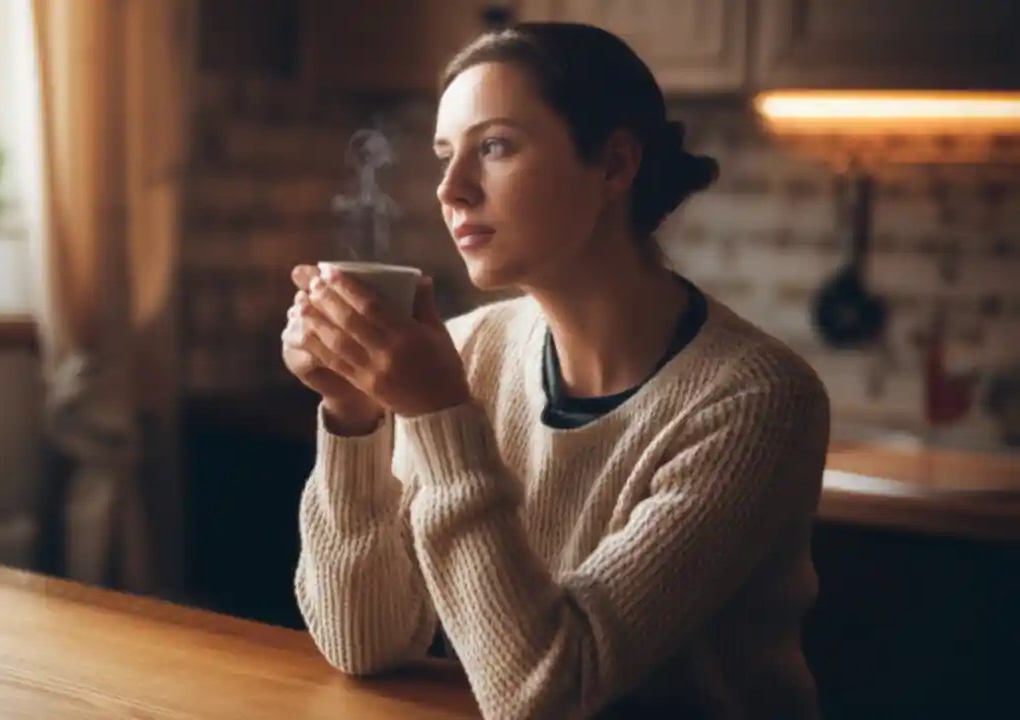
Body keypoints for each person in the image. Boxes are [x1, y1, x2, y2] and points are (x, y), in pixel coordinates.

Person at [280, 22, 829, 719]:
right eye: (446, 155)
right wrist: (355, 416)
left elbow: (549, 694)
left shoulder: (756, 400)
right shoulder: (470, 352)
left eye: (495, 147)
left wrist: (436, 416)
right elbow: (366, 642)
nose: (451, 189)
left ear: (615, 166)